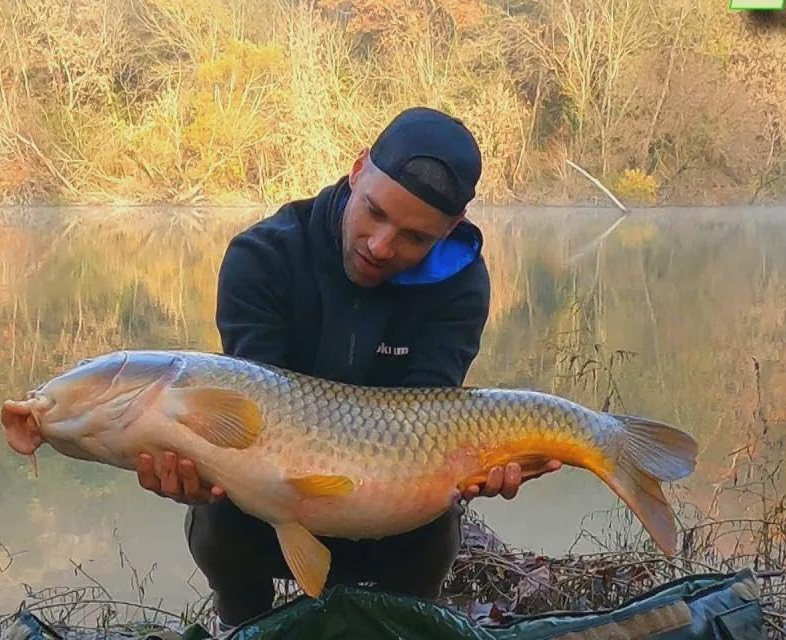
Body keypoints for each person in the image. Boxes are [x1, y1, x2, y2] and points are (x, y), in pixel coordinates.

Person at [134, 107, 562, 630]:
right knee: (218, 515)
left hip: (389, 502)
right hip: (272, 495)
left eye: (414, 238)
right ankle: (242, 622)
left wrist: (482, 463)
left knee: (435, 527)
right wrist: (192, 464)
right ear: (358, 170)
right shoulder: (263, 256)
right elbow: (252, 416)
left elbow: (431, 420)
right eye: (374, 212)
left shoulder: (460, 285)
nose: (381, 246)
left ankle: (395, 620)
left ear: (451, 230)